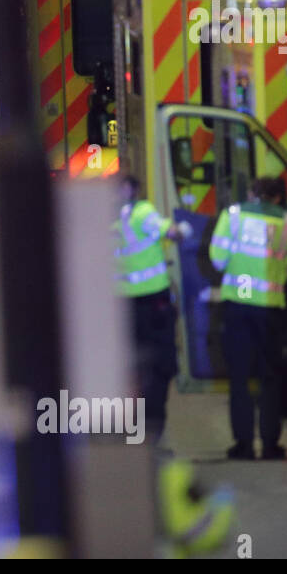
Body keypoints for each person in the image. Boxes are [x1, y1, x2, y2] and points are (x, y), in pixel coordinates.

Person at [209, 176, 287, 461]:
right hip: (269, 308)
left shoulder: (232, 216)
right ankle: (271, 445)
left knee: (239, 379)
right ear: (278, 198)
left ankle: (244, 445)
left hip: (238, 305)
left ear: (252, 193)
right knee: (270, 377)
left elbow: (218, 258)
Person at [114, 174, 190, 444]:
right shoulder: (142, 212)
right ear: (131, 190)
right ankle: (152, 429)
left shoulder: (102, 220)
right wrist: (183, 231)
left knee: (131, 367)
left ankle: (130, 429)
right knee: (161, 366)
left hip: (122, 307)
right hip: (153, 302)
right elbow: (169, 231)